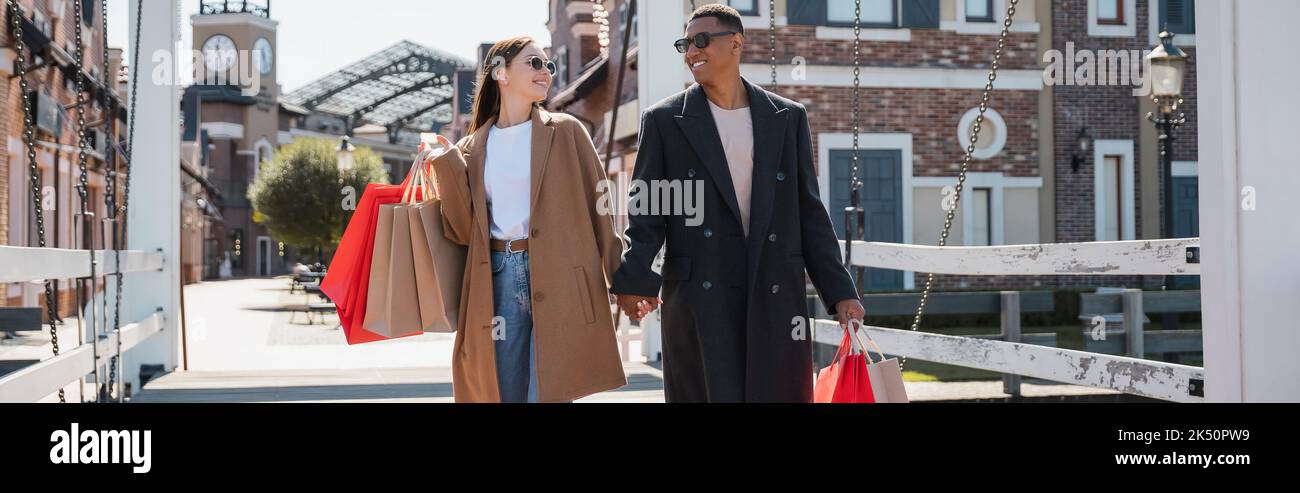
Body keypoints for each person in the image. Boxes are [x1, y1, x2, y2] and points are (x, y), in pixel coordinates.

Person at [610, 5, 867, 402]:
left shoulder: (787, 117)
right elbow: (647, 210)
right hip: (701, 292)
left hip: (773, 287)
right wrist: (635, 280)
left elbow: (809, 212)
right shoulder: (663, 120)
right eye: (685, 44)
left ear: (735, 43)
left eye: (701, 41)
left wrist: (840, 292)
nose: (691, 51)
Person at [424, 36, 627, 403]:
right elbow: (460, 229)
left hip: (561, 274)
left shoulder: (566, 131)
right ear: (500, 72)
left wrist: (624, 281)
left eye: (548, 64)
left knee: (549, 391)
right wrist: (445, 164)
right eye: (534, 63)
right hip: (497, 278)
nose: (545, 71)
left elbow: (602, 211)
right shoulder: (472, 149)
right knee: (504, 391)